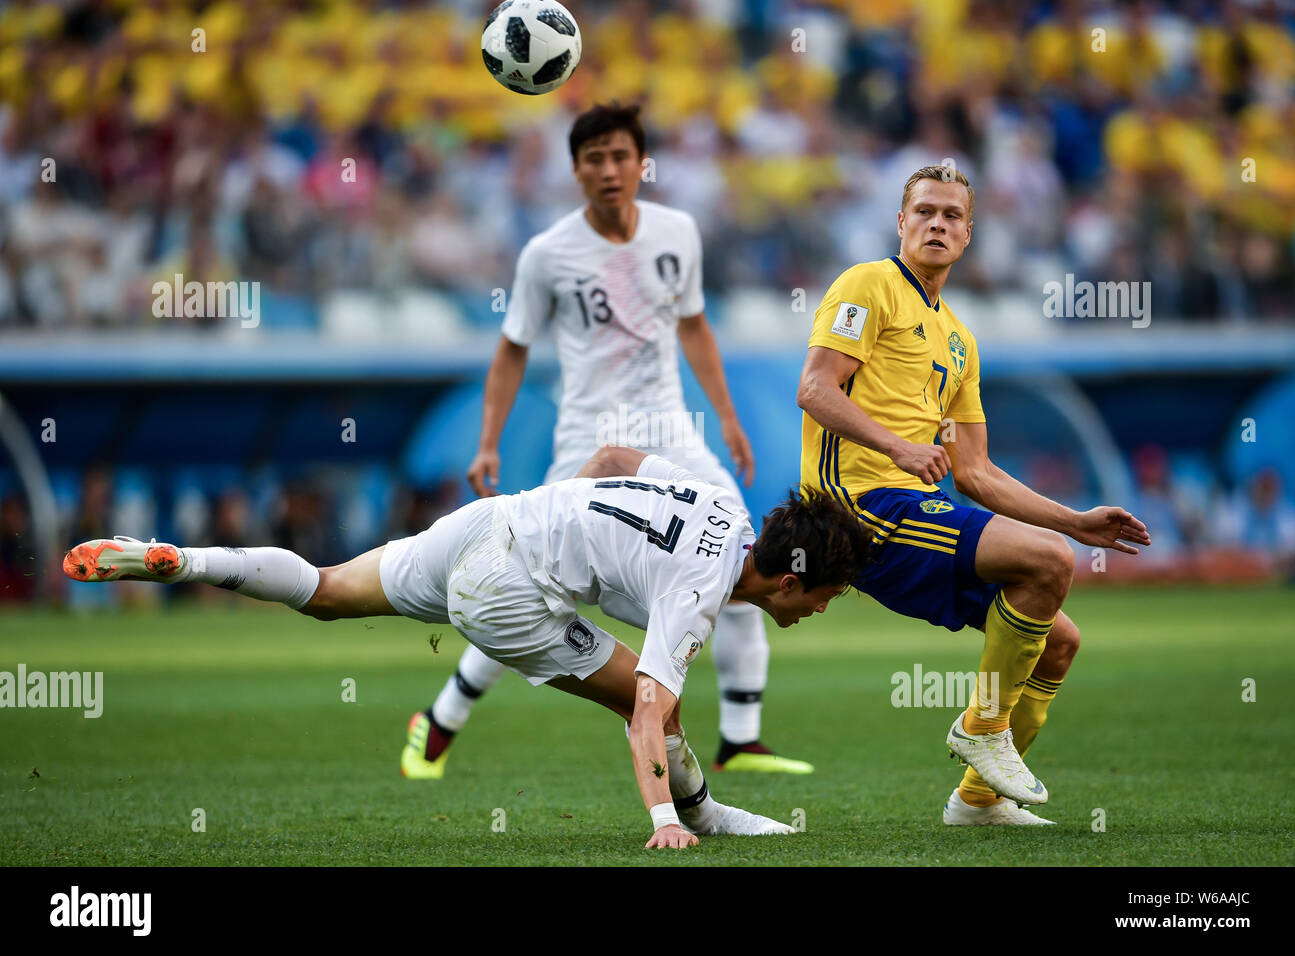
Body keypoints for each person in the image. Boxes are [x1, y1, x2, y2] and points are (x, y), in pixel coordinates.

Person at [63, 446, 873, 849]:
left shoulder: (715, 505)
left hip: (493, 520)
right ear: (794, 578)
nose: (827, 606)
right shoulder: (701, 591)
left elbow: (622, 459)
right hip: (507, 592)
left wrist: (572, 503)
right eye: (831, 592)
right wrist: (660, 819)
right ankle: (701, 817)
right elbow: (647, 714)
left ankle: (185, 560)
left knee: (327, 590)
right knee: (649, 698)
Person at [434, 101, 811, 779]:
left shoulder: (677, 233)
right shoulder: (547, 255)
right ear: (575, 171)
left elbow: (695, 326)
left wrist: (726, 417)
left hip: (674, 434)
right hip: (589, 434)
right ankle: (444, 715)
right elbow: (512, 350)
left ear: (643, 163)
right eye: (593, 159)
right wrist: (488, 441)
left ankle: (742, 737)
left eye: (620, 157)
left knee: (745, 556)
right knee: (529, 579)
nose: (609, 170)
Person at [796, 165, 1151, 825]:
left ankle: (978, 802)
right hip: (855, 508)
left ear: (968, 235)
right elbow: (815, 388)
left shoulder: (959, 342)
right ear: (900, 223)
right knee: (1047, 564)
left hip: (911, 509)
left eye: (951, 215)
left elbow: (977, 473)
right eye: (924, 211)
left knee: (1057, 641)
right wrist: (898, 447)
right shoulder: (868, 285)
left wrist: (1074, 520)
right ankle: (983, 727)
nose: (937, 223)